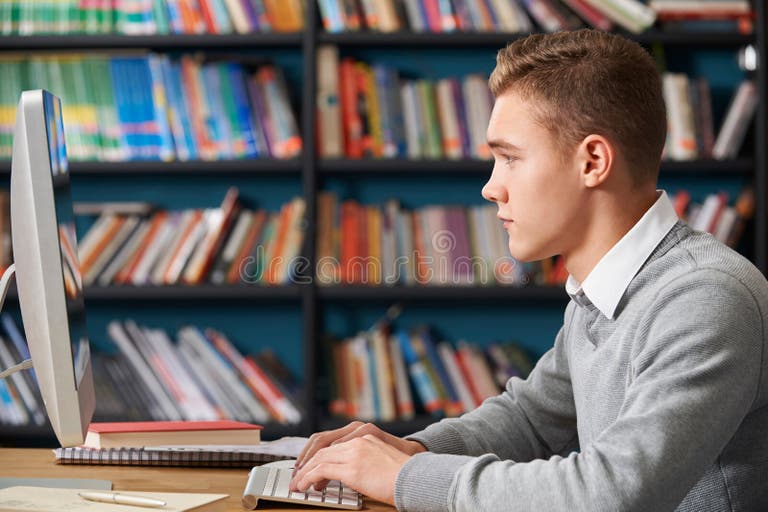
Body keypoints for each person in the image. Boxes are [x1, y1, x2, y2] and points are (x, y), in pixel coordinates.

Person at [289, 29, 768, 511]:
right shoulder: (603, 289)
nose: (491, 188)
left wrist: (407, 478)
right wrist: (412, 450)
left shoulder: (705, 299)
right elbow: (532, 421)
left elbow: (610, 494)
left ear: (593, 161)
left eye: (510, 158)